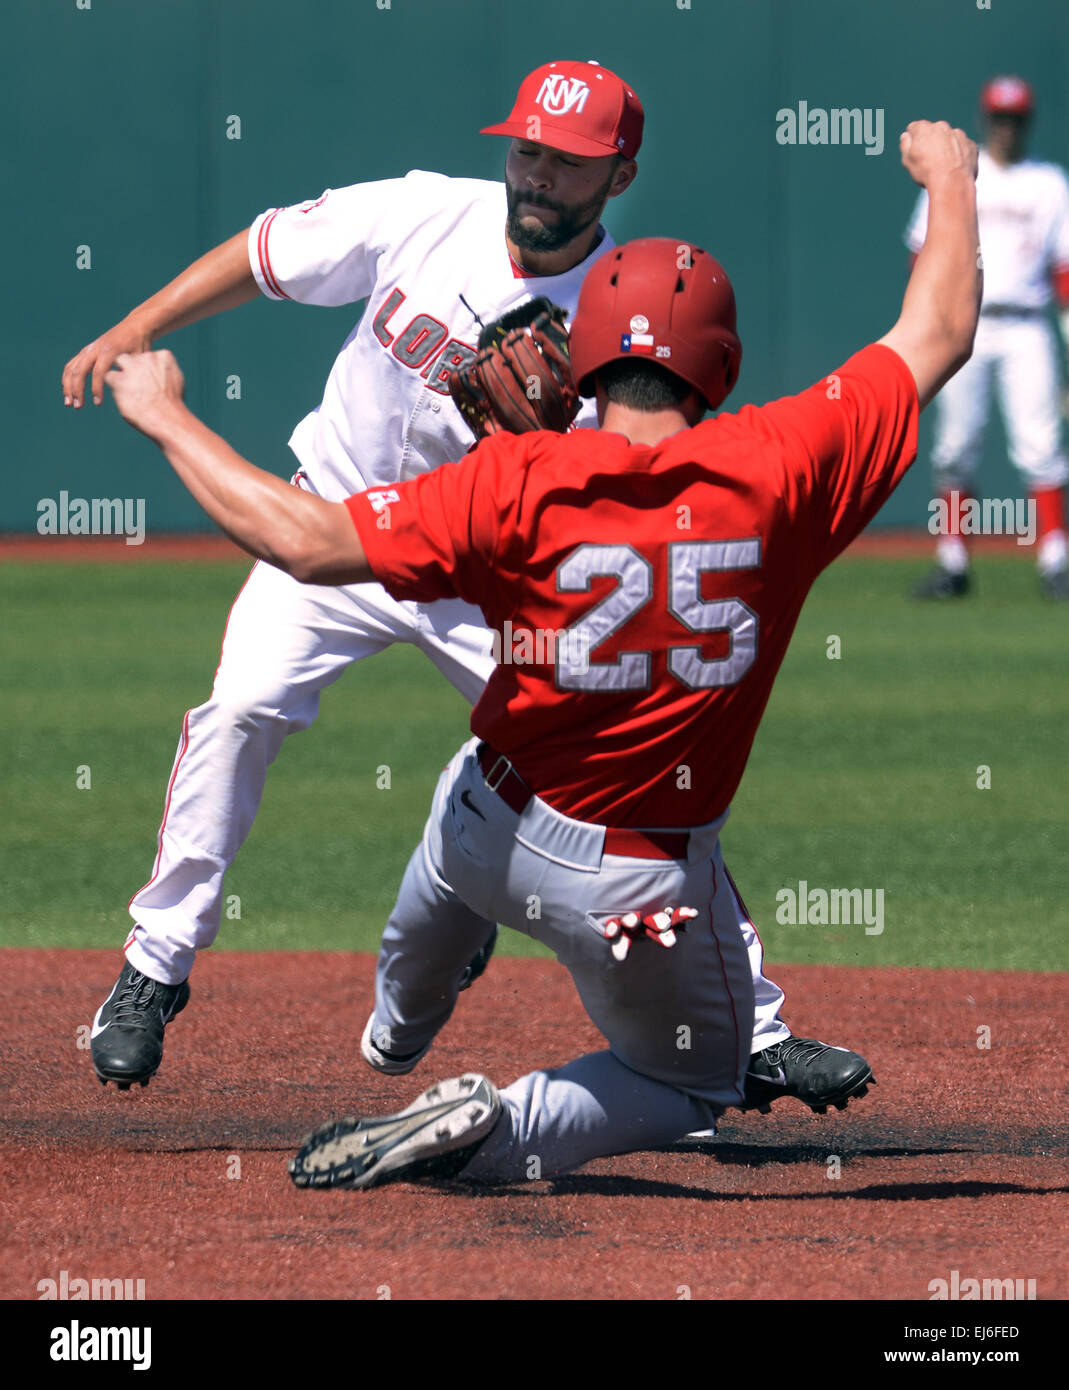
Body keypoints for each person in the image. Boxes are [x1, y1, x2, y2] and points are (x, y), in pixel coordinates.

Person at [103, 117, 981, 1188]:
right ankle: (503, 1123)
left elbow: (303, 539)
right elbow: (937, 328)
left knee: (443, 837)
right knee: (687, 1089)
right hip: (633, 880)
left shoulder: (516, 481)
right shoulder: (779, 469)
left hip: (481, 823)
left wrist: (165, 416)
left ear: (582, 351)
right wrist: (947, 174)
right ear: (726, 361)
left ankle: (394, 1027)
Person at [908, 76, 1069, 599]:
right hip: (966, 325)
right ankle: (952, 564)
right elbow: (921, 254)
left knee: (1042, 445)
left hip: (1027, 324)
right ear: (986, 119)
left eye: (1016, 118)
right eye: (1000, 118)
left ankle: (1055, 560)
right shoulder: (962, 176)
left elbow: (1064, 274)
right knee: (955, 448)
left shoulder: (1049, 183)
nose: (1007, 128)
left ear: (1028, 122)